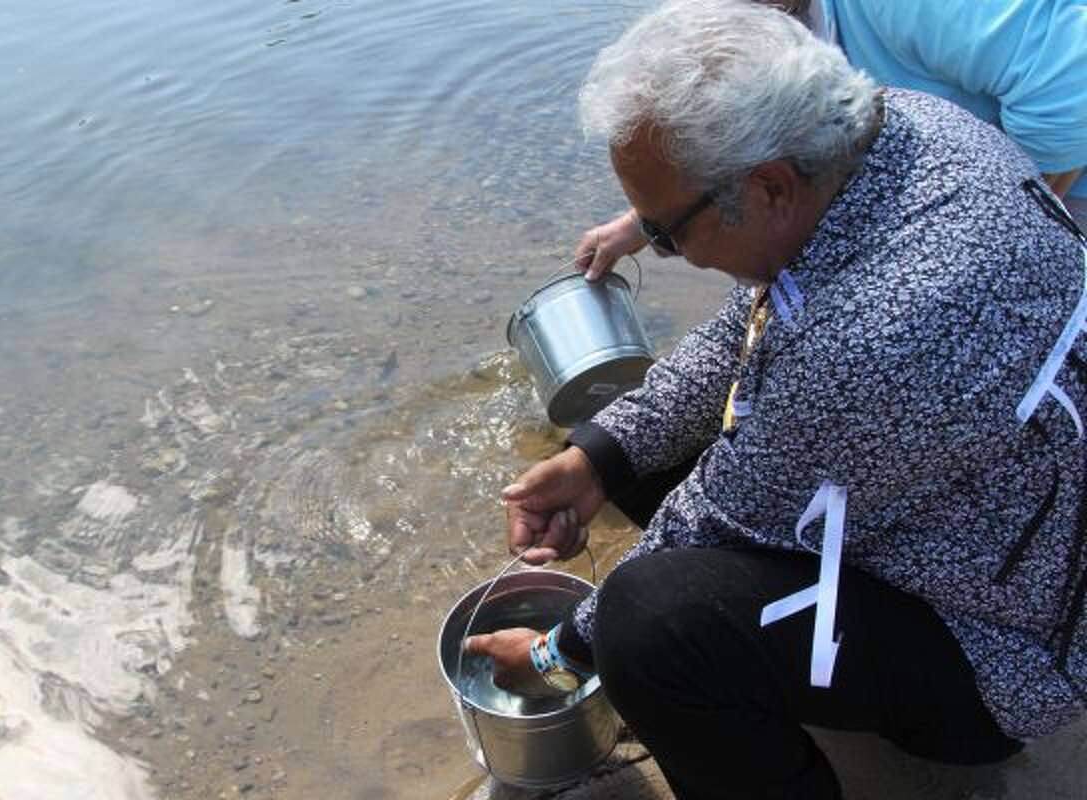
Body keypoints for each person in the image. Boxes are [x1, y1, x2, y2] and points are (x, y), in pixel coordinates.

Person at [463, 1, 1087, 798]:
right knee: (649, 453)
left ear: (770, 187)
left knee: (647, 626)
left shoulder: (879, 333)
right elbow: (750, 329)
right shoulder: (906, 130)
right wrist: (598, 454)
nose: (662, 251)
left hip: (1002, 652)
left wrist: (556, 657)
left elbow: (725, 509)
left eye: (665, 233)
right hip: (985, 520)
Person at [575, 0, 1087, 281]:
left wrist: (970, 247)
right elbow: (733, 135)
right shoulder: (772, 24)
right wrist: (651, 223)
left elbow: (1071, 87)